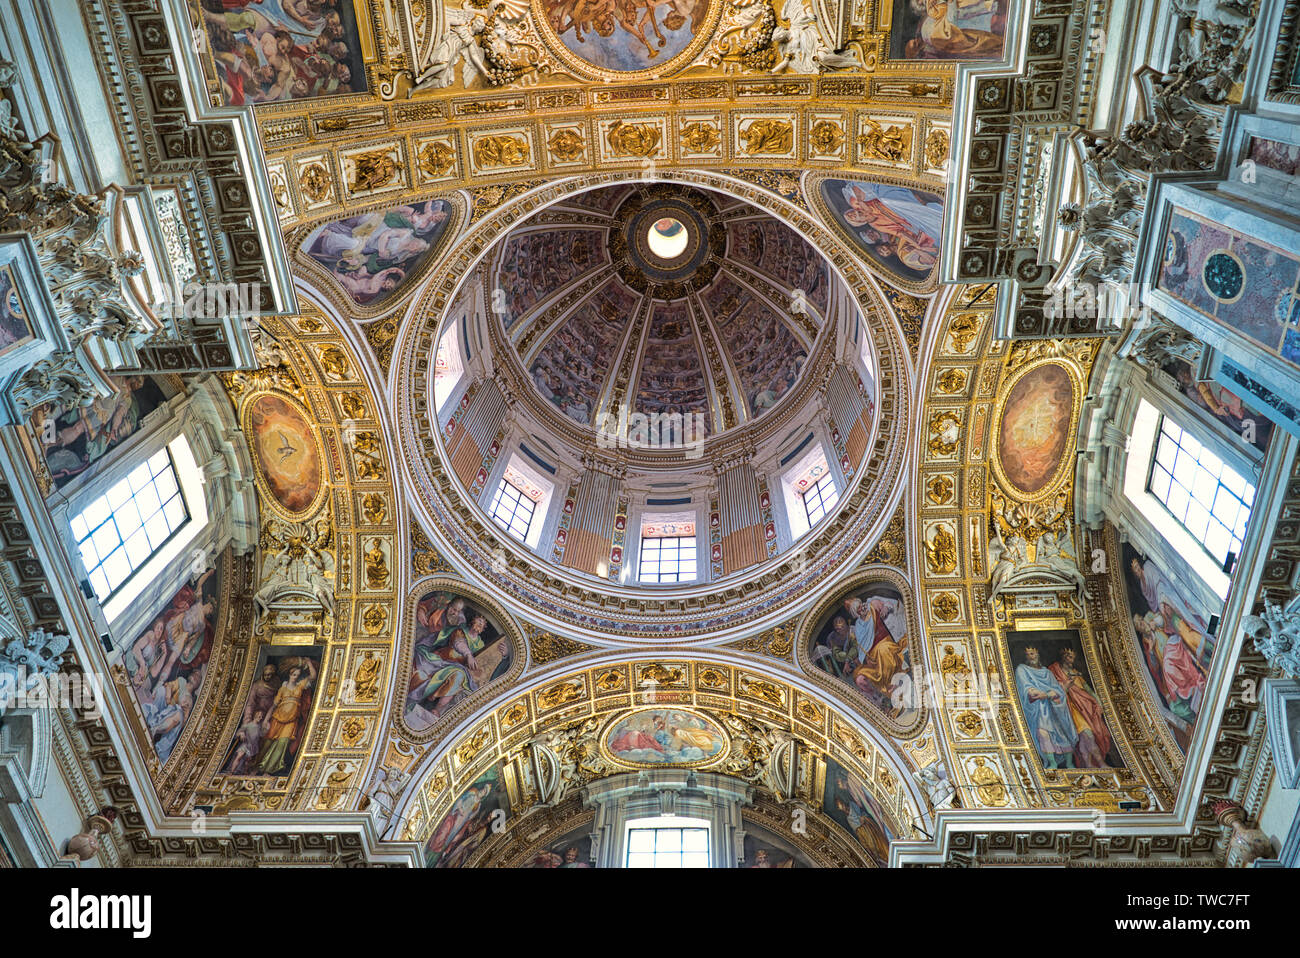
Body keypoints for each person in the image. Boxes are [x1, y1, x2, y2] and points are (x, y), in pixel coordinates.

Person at [1047, 646, 1113, 768]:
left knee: (1084, 739)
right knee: (1088, 735)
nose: (1069, 658)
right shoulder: (1054, 671)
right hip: (1069, 709)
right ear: (1062, 656)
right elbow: (1050, 689)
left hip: (1085, 708)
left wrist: (1098, 703)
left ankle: (1089, 765)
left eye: (1071, 656)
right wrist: (1064, 686)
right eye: (1067, 655)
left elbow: (1088, 690)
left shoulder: (1077, 674)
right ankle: (1101, 763)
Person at [1014, 645, 1077, 769]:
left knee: (1061, 735)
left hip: (1053, 709)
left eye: (1034, 653)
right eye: (1029, 654)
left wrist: (1050, 693)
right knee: (1043, 734)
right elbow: (1026, 688)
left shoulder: (1047, 672)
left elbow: (1057, 690)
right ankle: (1052, 763)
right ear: (1025, 657)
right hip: (1037, 709)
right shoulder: (1022, 669)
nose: (1033, 656)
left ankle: (1069, 763)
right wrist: (1037, 693)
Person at [255, 658, 317, 775]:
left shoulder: (300, 686)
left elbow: (312, 676)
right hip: (277, 719)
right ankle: (256, 766)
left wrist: (309, 663)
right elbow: (273, 706)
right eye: (294, 674)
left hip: (291, 721)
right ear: (290, 675)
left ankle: (268, 770)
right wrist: (266, 721)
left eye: (297, 675)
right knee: (267, 743)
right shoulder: (282, 689)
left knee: (282, 743)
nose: (295, 677)